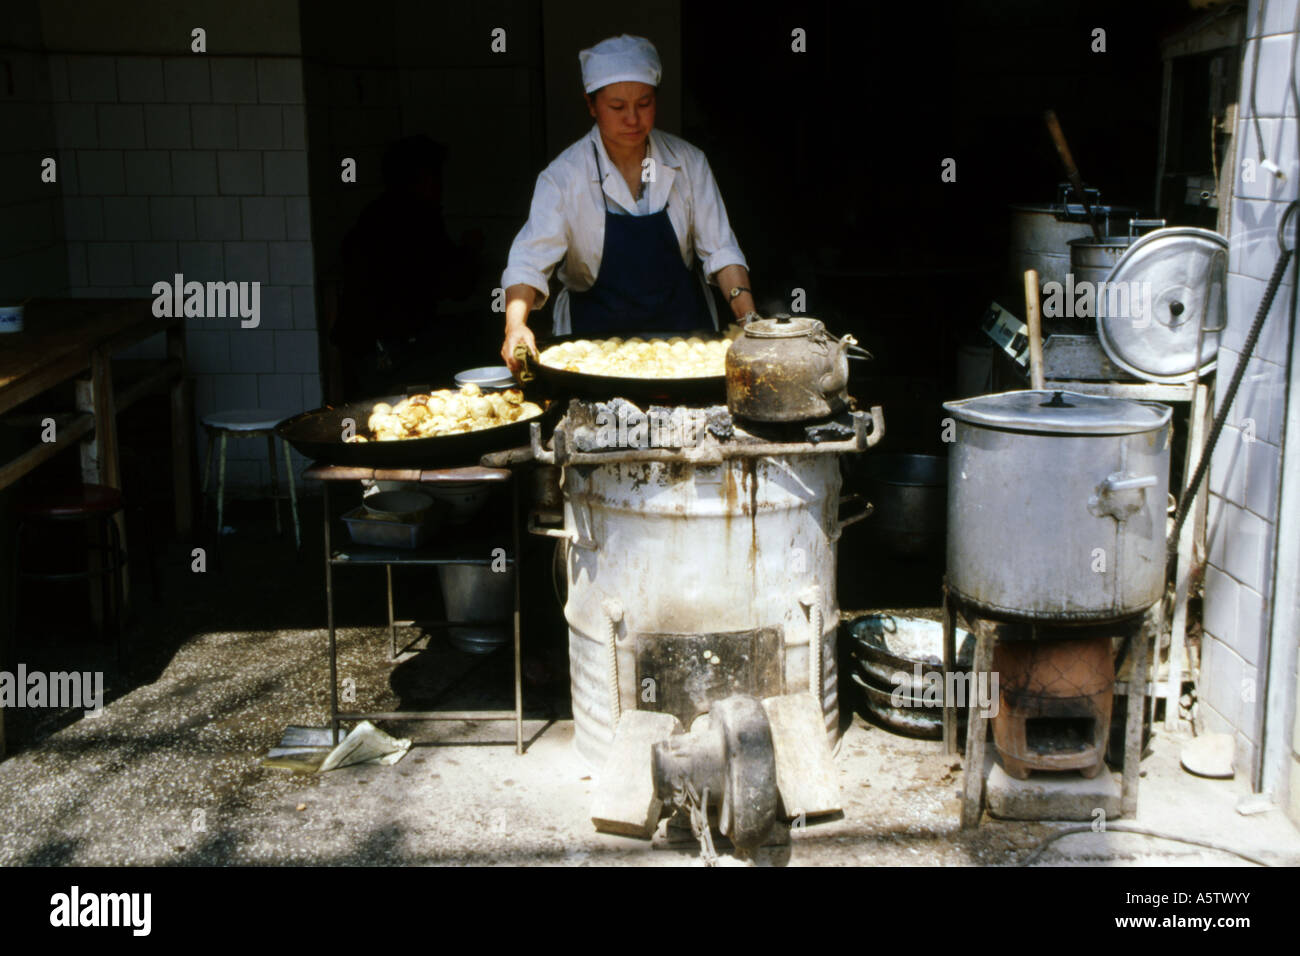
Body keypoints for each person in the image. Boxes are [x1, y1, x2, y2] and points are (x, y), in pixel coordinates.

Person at [500, 34, 756, 371]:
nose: (633, 119)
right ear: (591, 106)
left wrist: (749, 319)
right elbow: (529, 262)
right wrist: (515, 326)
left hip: (684, 346)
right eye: (617, 107)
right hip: (592, 348)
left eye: (645, 103)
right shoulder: (564, 177)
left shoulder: (688, 163)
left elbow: (721, 250)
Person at [336, 135, 483, 398]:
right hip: (387, 349)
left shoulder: (375, 214)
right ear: (419, 179)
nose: (441, 186)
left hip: (364, 346)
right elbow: (455, 286)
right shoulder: (417, 220)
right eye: (435, 177)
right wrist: (470, 251)